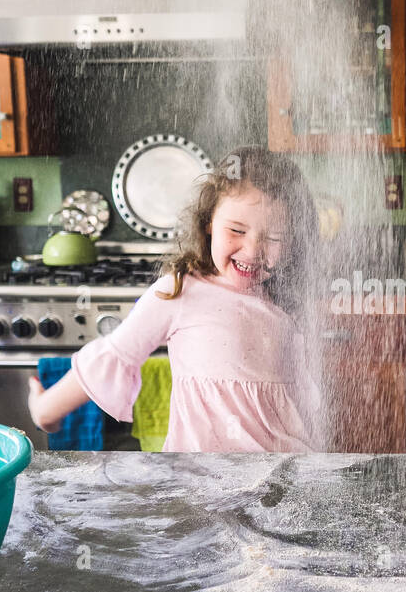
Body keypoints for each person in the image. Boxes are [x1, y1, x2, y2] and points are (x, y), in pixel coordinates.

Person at [27, 146, 322, 452]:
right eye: (236, 230)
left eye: (274, 238)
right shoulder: (180, 291)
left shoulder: (284, 303)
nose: (252, 250)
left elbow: (295, 401)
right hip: (204, 481)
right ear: (209, 222)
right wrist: (44, 411)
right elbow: (114, 356)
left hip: (285, 473)